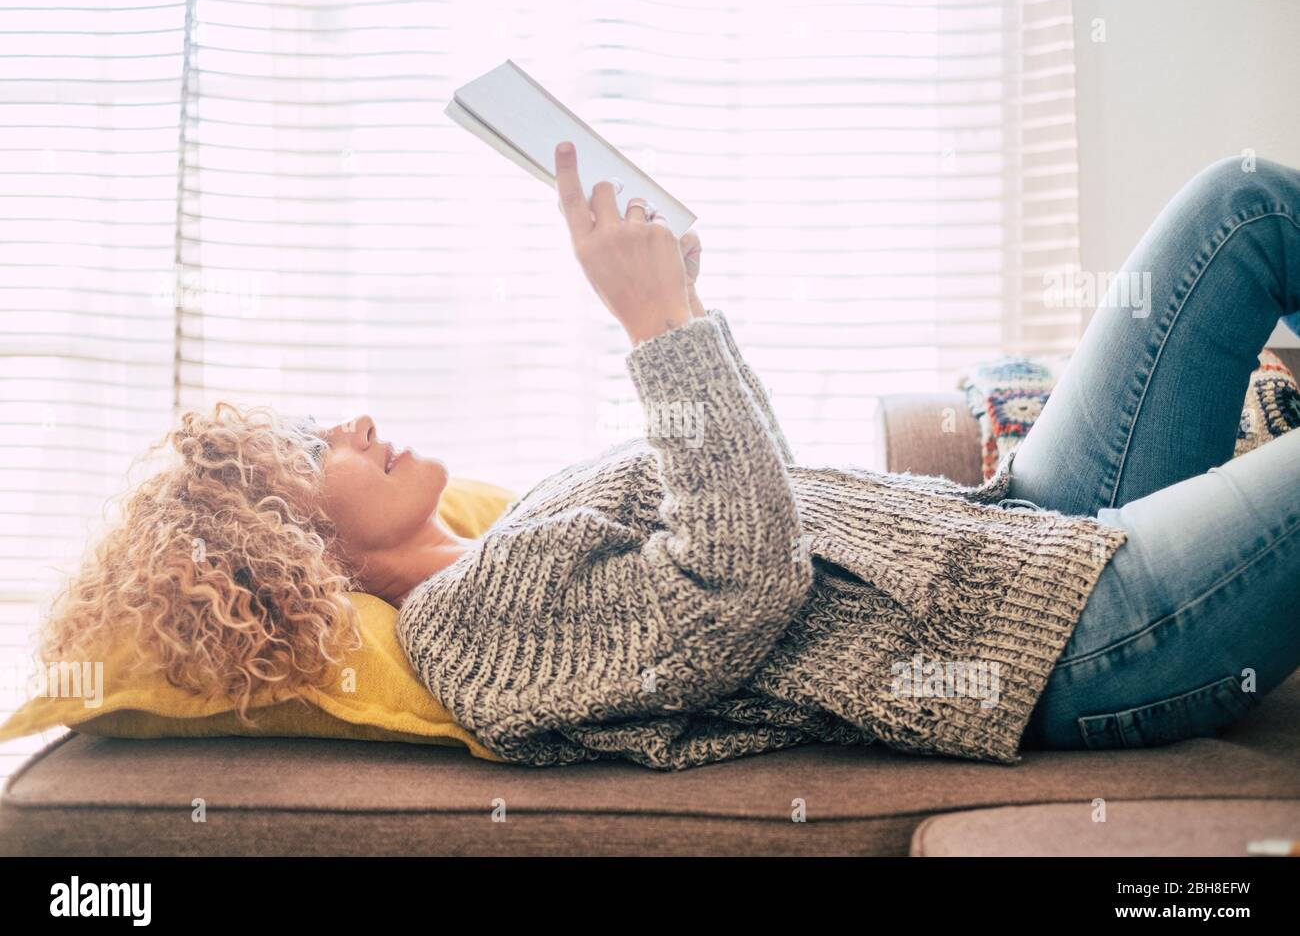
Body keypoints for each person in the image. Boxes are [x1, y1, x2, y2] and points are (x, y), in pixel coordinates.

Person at [42, 144, 1300, 770]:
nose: (356, 423)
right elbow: (741, 583)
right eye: (316, 446)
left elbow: (763, 490)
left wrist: (686, 309)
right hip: (1075, 641)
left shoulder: (506, 532)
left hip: (1022, 524)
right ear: (296, 541)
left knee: (1239, 206)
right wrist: (656, 327)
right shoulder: (466, 640)